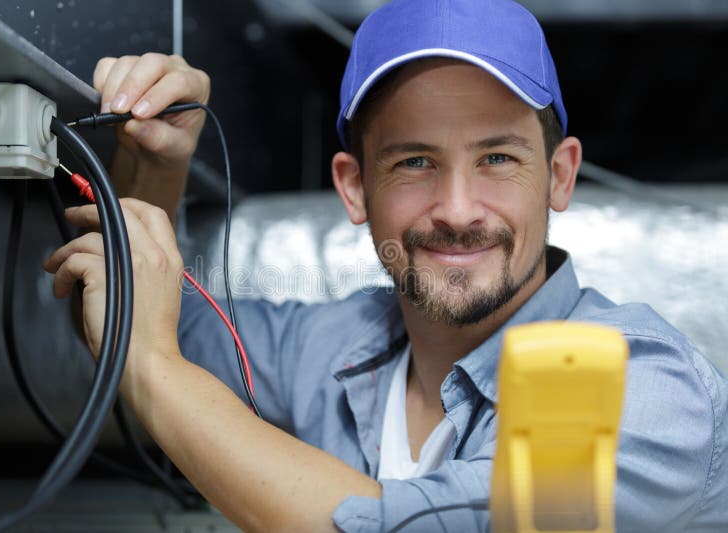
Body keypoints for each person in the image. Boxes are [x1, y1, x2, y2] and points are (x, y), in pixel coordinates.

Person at [43, 0, 728, 531]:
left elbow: (152, 353)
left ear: (558, 175)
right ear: (353, 188)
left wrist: (155, 370)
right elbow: (144, 318)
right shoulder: (334, 346)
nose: (458, 210)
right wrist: (156, 168)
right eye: (415, 162)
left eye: (497, 158)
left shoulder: (639, 383)